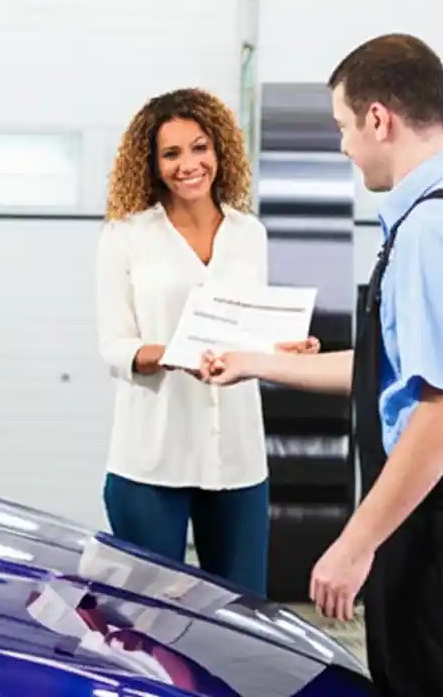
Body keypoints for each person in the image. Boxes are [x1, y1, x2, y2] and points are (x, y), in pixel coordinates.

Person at [201, 33, 443, 697]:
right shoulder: (439, 218)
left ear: (380, 119)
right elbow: (392, 374)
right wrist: (254, 362)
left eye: (345, 126)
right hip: (435, 514)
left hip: (435, 522)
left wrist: (355, 543)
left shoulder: (434, 233)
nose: (344, 146)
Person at [94, 87, 316, 597]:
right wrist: (177, 356)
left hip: (235, 458)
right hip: (150, 459)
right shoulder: (125, 235)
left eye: (200, 148)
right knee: (145, 620)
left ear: (219, 151)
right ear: (151, 163)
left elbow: (247, 331)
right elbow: (114, 345)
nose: (188, 164)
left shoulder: (249, 234)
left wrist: (281, 350)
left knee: (241, 619)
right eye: (171, 153)